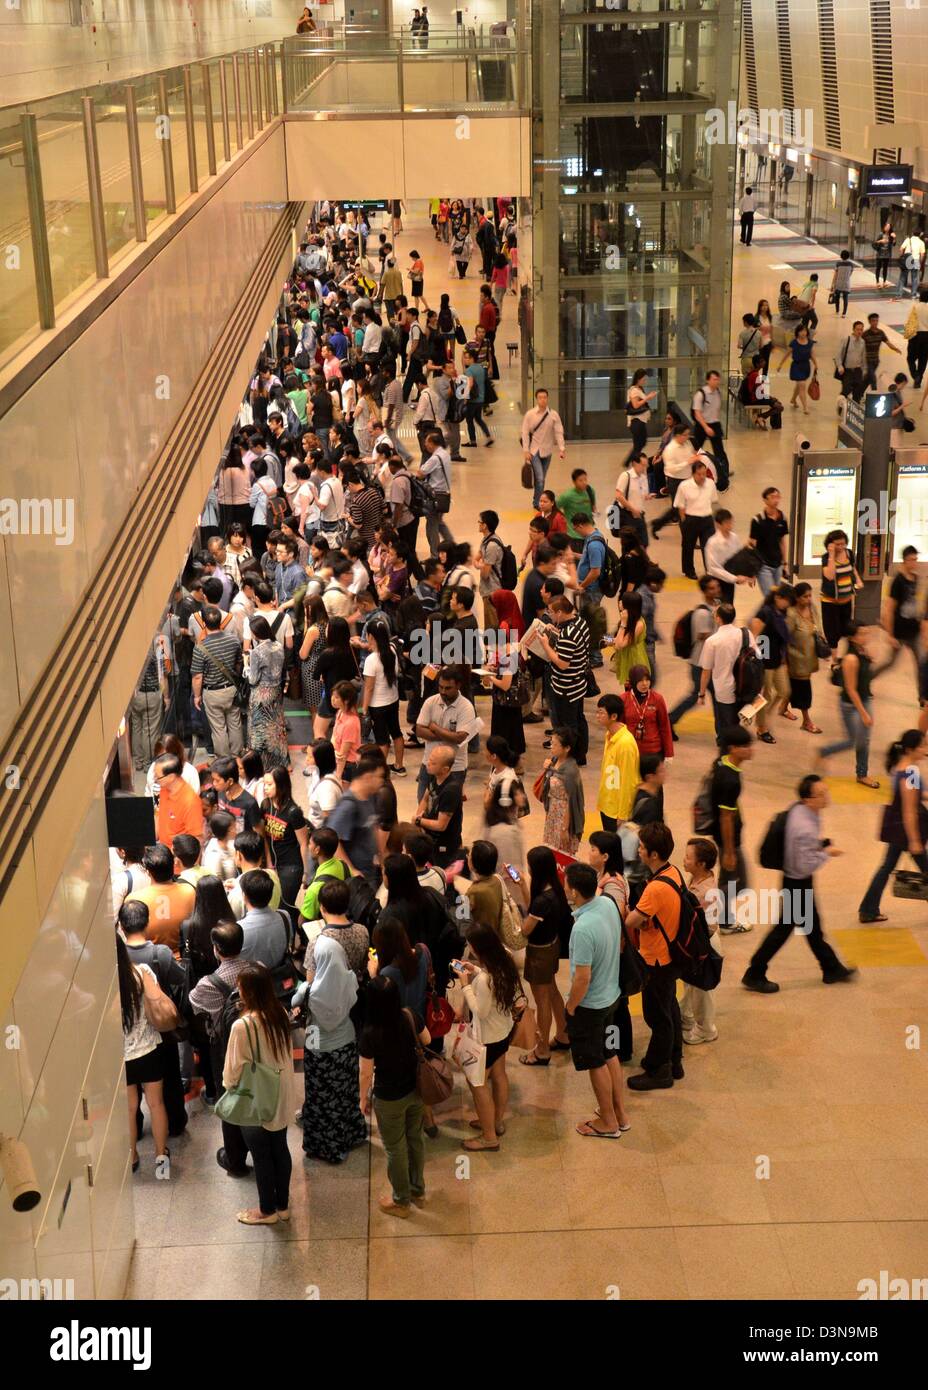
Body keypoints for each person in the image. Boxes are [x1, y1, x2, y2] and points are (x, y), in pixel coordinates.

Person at [742, 776, 856, 991]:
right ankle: (755, 972)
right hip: (797, 882)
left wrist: (818, 846)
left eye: (825, 791)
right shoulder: (805, 827)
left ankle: (831, 967)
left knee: (811, 925)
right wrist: (826, 852)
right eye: (820, 794)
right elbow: (804, 866)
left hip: (795, 880)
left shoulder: (801, 809)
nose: (826, 797)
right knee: (785, 928)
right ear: (808, 799)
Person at [221, 962, 295, 1225]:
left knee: (261, 1156)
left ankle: (266, 1211)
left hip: (256, 1098)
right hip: (282, 1092)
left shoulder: (243, 1026)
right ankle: (282, 1205)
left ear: (249, 992)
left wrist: (228, 1088)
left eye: (241, 987)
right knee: (280, 1148)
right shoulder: (281, 1014)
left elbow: (231, 1071)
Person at [563, 863, 628, 1137]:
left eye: (566, 884)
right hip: (612, 996)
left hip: (591, 1006)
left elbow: (582, 978)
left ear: (575, 892)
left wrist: (571, 1006)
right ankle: (620, 1114)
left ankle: (608, 1123)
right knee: (609, 1053)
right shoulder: (607, 903)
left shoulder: (582, 929)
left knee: (594, 1061)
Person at [359, 975, 430, 1218]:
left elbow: (366, 1073)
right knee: (415, 1139)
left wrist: (362, 1098)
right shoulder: (410, 1016)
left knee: (395, 1148)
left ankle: (401, 1201)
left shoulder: (370, 1032)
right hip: (416, 1089)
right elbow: (428, 1040)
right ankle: (418, 1190)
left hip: (389, 1097)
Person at [293, 933, 367, 1163]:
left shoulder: (309, 990)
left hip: (317, 1045)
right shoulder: (350, 980)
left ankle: (324, 1146)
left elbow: (295, 1003)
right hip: (345, 1044)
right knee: (344, 1094)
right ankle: (351, 1136)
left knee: (320, 1099)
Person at [623, 822, 685, 1090]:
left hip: (656, 958)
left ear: (654, 854)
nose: (639, 851)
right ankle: (674, 1059)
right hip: (670, 955)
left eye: (643, 848)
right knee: (670, 1007)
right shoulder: (674, 873)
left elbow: (631, 921)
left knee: (656, 1016)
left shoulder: (655, 888)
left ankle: (660, 1071)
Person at [457, 922, 521, 1151]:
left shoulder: (485, 981)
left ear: (476, 947)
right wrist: (475, 971)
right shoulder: (504, 958)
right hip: (504, 1031)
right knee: (500, 1075)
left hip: (488, 1038)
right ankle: (496, 1121)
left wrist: (465, 985)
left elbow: (480, 1011)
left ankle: (489, 1137)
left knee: (477, 1083)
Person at [859, 730, 928, 922]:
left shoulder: (906, 767)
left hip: (898, 829)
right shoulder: (908, 774)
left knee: (886, 867)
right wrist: (914, 841)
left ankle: (868, 909)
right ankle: (867, 909)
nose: (925, 749)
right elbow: (909, 810)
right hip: (908, 830)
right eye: (922, 746)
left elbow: (918, 794)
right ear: (910, 749)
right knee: (925, 867)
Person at [118, 935, 170, 1178]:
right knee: (156, 1104)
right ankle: (161, 1157)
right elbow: (157, 1000)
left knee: (129, 1109)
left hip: (122, 1057)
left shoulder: (103, 983)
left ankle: (132, 1156)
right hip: (148, 1049)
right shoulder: (141, 972)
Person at [517, 846, 572, 1066]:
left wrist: (513, 917)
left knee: (542, 1002)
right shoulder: (556, 890)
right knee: (552, 990)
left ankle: (542, 1051)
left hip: (539, 953)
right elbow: (536, 911)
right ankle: (564, 1034)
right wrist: (522, 885)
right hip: (553, 947)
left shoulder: (543, 901)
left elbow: (525, 930)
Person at [818, 623, 880, 788]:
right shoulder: (851, 659)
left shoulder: (862, 651)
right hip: (851, 705)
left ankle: (862, 775)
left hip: (865, 699)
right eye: (862, 634)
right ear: (852, 637)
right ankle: (825, 752)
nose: (866, 637)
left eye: (866, 633)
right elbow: (851, 690)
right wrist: (864, 713)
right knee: (854, 741)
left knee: (864, 740)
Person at [707, 725, 754, 933]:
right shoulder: (730, 779)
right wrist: (729, 850)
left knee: (730, 880)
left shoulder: (721, 763)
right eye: (745, 746)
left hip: (722, 834)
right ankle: (718, 918)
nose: (750, 750)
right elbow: (726, 816)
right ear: (733, 748)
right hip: (727, 838)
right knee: (738, 881)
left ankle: (723, 918)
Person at [668, 574, 721, 734]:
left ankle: (722, 730)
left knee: (716, 698)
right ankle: (669, 719)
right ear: (705, 591)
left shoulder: (717, 605)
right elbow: (703, 636)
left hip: (710, 663)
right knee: (697, 696)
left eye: (717, 586)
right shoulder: (702, 614)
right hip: (700, 663)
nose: (717, 589)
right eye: (712, 588)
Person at [680, 837, 719, 1044]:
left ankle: (706, 1029)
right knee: (690, 985)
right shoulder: (697, 880)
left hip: (704, 942)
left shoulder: (707, 892)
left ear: (701, 864)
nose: (684, 860)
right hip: (695, 941)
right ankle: (686, 1016)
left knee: (702, 990)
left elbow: (709, 926)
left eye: (688, 857)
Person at [191, 606, 244, 756]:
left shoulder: (200, 648)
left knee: (218, 729)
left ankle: (224, 761)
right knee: (235, 724)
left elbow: (197, 676)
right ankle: (237, 757)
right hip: (232, 689)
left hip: (212, 693)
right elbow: (239, 662)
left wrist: (196, 696)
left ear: (204, 623)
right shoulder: (233, 640)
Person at [698, 604, 758, 737]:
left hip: (724, 690)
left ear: (718, 619)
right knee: (735, 721)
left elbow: (706, 671)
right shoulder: (746, 633)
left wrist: (701, 694)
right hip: (745, 687)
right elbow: (757, 657)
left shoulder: (712, 641)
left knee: (725, 723)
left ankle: (725, 747)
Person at [126, 842, 196, 955]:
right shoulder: (189, 891)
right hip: (184, 959)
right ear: (173, 865)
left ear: (147, 871)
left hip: (149, 963)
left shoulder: (134, 900)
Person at [751, 584, 796, 744]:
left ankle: (758, 712)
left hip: (778, 659)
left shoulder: (781, 612)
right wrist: (758, 659)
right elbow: (754, 637)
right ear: (777, 598)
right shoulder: (765, 612)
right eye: (787, 600)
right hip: (765, 659)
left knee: (785, 691)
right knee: (765, 695)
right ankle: (761, 728)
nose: (788, 604)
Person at [327, 755, 384, 881]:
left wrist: (381, 855)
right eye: (379, 777)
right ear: (368, 777)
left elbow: (374, 826)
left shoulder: (371, 796)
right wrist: (352, 870)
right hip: (356, 877)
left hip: (369, 869)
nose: (381, 781)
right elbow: (333, 840)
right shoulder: (348, 806)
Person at [259, 767, 309, 906]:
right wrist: (268, 863)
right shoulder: (265, 805)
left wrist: (306, 872)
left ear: (281, 785)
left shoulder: (293, 812)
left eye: (269, 784)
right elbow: (264, 837)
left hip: (290, 867)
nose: (265, 788)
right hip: (273, 865)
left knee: (284, 906)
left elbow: (304, 843)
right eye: (264, 784)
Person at [245, 614, 288, 771]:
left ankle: (262, 765)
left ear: (256, 633)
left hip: (261, 694)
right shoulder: (278, 645)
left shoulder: (257, 652)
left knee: (259, 730)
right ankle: (283, 762)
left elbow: (252, 679)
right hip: (276, 691)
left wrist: (246, 665)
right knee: (277, 728)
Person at [882, 546, 924, 699]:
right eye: (912, 560)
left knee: (921, 664)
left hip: (914, 631)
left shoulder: (916, 578)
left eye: (916, 559)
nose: (914, 563)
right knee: (890, 663)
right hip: (899, 632)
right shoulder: (897, 581)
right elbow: (889, 608)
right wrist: (890, 634)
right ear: (905, 561)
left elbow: (917, 603)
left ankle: (923, 697)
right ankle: (865, 681)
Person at [595, 694, 640, 832]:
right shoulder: (609, 735)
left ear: (613, 716)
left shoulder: (625, 743)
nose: (597, 715)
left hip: (616, 811)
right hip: (607, 804)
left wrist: (623, 814)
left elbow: (629, 781)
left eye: (601, 712)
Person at [786, 582, 824, 734]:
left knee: (791, 687)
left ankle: (782, 707)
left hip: (810, 657)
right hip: (797, 659)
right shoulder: (791, 614)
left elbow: (818, 627)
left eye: (810, 596)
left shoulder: (812, 608)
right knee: (803, 690)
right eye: (805, 596)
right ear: (796, 597)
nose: (808, 599)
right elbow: (786, 638)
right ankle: (806, 720)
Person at [540, 726, 585, 855]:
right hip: (553, 814)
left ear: (567, 748)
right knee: (551, 852)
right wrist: (547, 769)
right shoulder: (554, 761)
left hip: (564, 817)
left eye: (554, 744)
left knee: (563, 855)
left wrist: (565, 828)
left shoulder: (571, 771)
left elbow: (571, 801)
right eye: (551, 743)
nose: (551, 746)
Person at [521, 387, 566, 507]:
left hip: (547, 452)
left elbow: (558, 432)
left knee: (541, 479)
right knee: (540, 479)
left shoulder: (553, 414)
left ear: (547, 399)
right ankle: (537, 503)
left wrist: (561, 448)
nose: (543, 400)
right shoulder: (530, 415)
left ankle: (537, 499)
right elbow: (524, 433)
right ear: (536, 399)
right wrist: (526, 450)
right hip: (534, 451)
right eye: (540, 398)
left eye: (545, 397)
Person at [820, 528, 862, 652]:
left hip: (846, 600)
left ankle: (848, 654)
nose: (841, 547)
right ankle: (834, 659)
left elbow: (852, 569)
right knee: (832, 632)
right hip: (830, 601)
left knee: (847, 629)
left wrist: (858, 580)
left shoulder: (849, 553)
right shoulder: (826, 557)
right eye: (837, 544)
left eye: (843, 544)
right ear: (830, 544)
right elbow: (829, 575)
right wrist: (832, 555)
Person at [675, 457, 718, 580]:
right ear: (693, 474)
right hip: (690, 519)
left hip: (707, 520)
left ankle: (710, 570)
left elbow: (713, 500)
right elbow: (680, 505)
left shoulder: (710, 484)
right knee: (688, 546)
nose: (702, 476)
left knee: (709, 546)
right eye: (699, 474)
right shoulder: (684, 486)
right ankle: (689, 570)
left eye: (704, 473)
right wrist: (684, 521)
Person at [621, 665, 673, 760]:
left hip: (653, 751)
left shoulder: (657, 698)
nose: (645, 684)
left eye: (647, 680)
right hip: (630, 750)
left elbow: (665, 726)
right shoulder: (623, 699)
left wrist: (669, 753)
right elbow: (619, 727)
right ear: (633, 681)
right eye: (640, 681)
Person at [153, 753, 205, 848]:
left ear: (171, 776)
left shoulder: (190, 802)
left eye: (158, 777)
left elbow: (196, 840)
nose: (155, 780)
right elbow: (159, 814)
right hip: (161, 848)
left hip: (177, 856)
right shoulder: (164, 788)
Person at [690, 371, 729, 489]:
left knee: (720, 451)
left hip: (714, 423)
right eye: (714, 379)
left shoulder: (718, 392)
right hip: (702, 425)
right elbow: (697, 413)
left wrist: (714, 422)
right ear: (708, 380)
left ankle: (724, 473)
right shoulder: (700, 394)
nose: (716, 381)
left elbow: (717, 408)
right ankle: (692, 471)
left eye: (717, 379)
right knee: (696, 449)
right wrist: (706, 427)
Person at [748, 486, 789, 597]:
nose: (776, 500)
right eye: (772, 497)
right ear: (765, 500)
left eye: (778, 497)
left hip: (778, 565)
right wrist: (752, 571)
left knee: (777, 597)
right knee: (771, 597)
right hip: (763, 565)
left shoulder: (783, 518)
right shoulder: (757, 520)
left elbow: (782, 541)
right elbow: (752, 545)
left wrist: (785, 563)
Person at [775, 323, 817, 414]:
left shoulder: (810, 342)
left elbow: (812, 354)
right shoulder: (794, 343)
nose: (803, 333)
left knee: (799, 385)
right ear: (797, 332)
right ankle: (805, 407)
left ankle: (793, 399)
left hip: (806, 366)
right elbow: (787, 354)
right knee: (802, 385)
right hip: (796, 366)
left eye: (805, 331)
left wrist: (816, 364)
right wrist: (780, 365)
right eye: (801, 331)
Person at [624, 368, 657, 464]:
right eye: (643, 379)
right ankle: (630, 462)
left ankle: (631, 462)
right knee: (640, 443)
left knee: (639, 444)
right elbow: (635, 405)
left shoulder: (638, 389)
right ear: (638, 379)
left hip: (639, 421)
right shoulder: (634, 390)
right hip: (637, 421)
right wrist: (648, 398)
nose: (645, 381)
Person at [863, 311, 901, 391]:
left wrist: (896, 349)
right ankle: (874, 394)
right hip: (867, 360)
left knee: (868, 378)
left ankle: (859, 392)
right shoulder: (865, 334)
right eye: (873, 321)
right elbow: (860, 347)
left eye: (876, 320)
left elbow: (888, 343)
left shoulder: (880, 333)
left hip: (876, 361)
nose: (875, 322)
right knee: (873, 379)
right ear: (869, 322)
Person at [829, 248, 855, 318]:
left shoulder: (838, 264)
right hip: (846, 283)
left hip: (838, 283)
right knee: (845, 298)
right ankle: (844, 313)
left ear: (841, 256)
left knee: (837, 297)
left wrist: (832, 284)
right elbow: (850, 273)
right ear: (848, 256)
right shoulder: (851, 264)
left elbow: (835, 274)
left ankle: (837, 311)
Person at [873, 220, 896, 288]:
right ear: (884, 227)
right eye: (887, 226)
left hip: (887, 254)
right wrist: (880, 241)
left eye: (889, 227)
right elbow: (875, 242)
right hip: (880, 254)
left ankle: (884, 282)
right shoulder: (881, 234)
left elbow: (894, 244)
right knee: (878, 268)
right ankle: (877, 282)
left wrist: (894, 238)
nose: (888, 228)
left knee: (885, 268)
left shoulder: (891, 235)